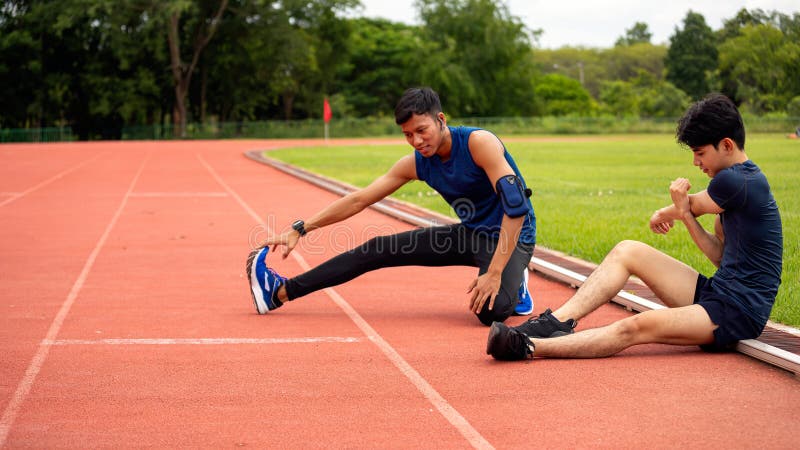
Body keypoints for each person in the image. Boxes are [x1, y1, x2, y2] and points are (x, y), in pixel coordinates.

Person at [487, 93, 783, 361]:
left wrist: (672, 211)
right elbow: (719, 256)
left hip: (737, 312)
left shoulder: (737, 181)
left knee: (635, 327)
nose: (696, 162)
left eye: (701, 152)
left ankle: (526, 345)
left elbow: (691, 203)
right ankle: (554, 323)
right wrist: (679, 214)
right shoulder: (734, 186)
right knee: (628, 251)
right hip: (718, 292)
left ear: (727, 145)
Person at [247, 87, 537, 325]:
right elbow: (360, 199)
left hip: (512, 237)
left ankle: (516, 281)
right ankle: (279, 292)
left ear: (441, 119)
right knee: (377, 248)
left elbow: (516, 206)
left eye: (422, 130)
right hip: (472, 233)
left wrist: (496, 272)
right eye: (408, 135)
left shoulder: (478, 143)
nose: (417, 141)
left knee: (490, 312)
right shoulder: (417, 163)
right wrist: (301, 228)